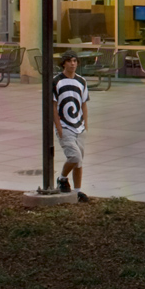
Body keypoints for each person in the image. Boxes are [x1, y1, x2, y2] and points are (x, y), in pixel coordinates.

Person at [53, 52, 88, 196]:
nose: (72, 64)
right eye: (69, 61)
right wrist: (59, 127)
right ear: (63, 63)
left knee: (79, 162)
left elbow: (84, 104)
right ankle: (62, 178)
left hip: (79, 127)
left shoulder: (81, 81)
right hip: (65, 126)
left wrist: (85, 125)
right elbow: (53, 105)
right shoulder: (56, 81)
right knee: (75, 157)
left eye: (74, 61)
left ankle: (77, 191)